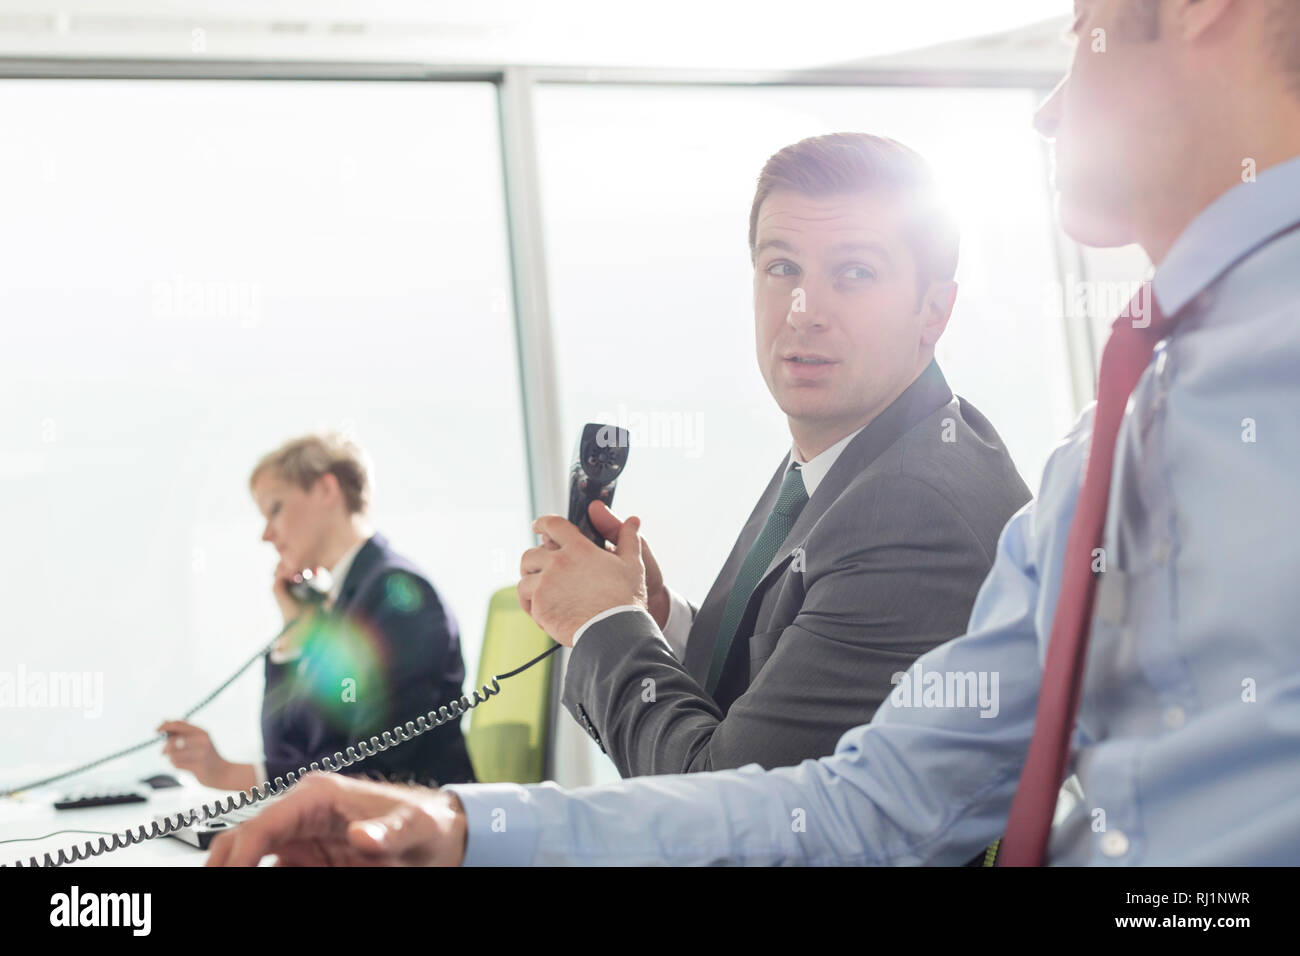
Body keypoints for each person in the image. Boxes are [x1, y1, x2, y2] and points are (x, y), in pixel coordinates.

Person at [207, 0, 1300, 867]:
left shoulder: (943, 489)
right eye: (779, 268)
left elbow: (745, 775)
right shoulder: (1099, 447)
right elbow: (869, 805)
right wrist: (462, 827)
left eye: (1079, 27)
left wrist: (604, 632)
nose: (1046, 108)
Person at [524, 133, 1028, 782]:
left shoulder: (913, 508)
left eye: (855, 273)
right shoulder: (848, 450)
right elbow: (772, 688)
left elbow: (721, 809)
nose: (803, 312)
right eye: (782, 268)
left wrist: (604, 623)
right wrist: (654, 619)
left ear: (933, 309)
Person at [159, 433, 476, 791]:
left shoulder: (397, 597)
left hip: (413, 830)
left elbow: (372, 767)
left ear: (327, 490)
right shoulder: (339, 608)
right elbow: (289, 748)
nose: (266, 535)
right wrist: (295, 633)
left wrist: (232, 775)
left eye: (275, 509)